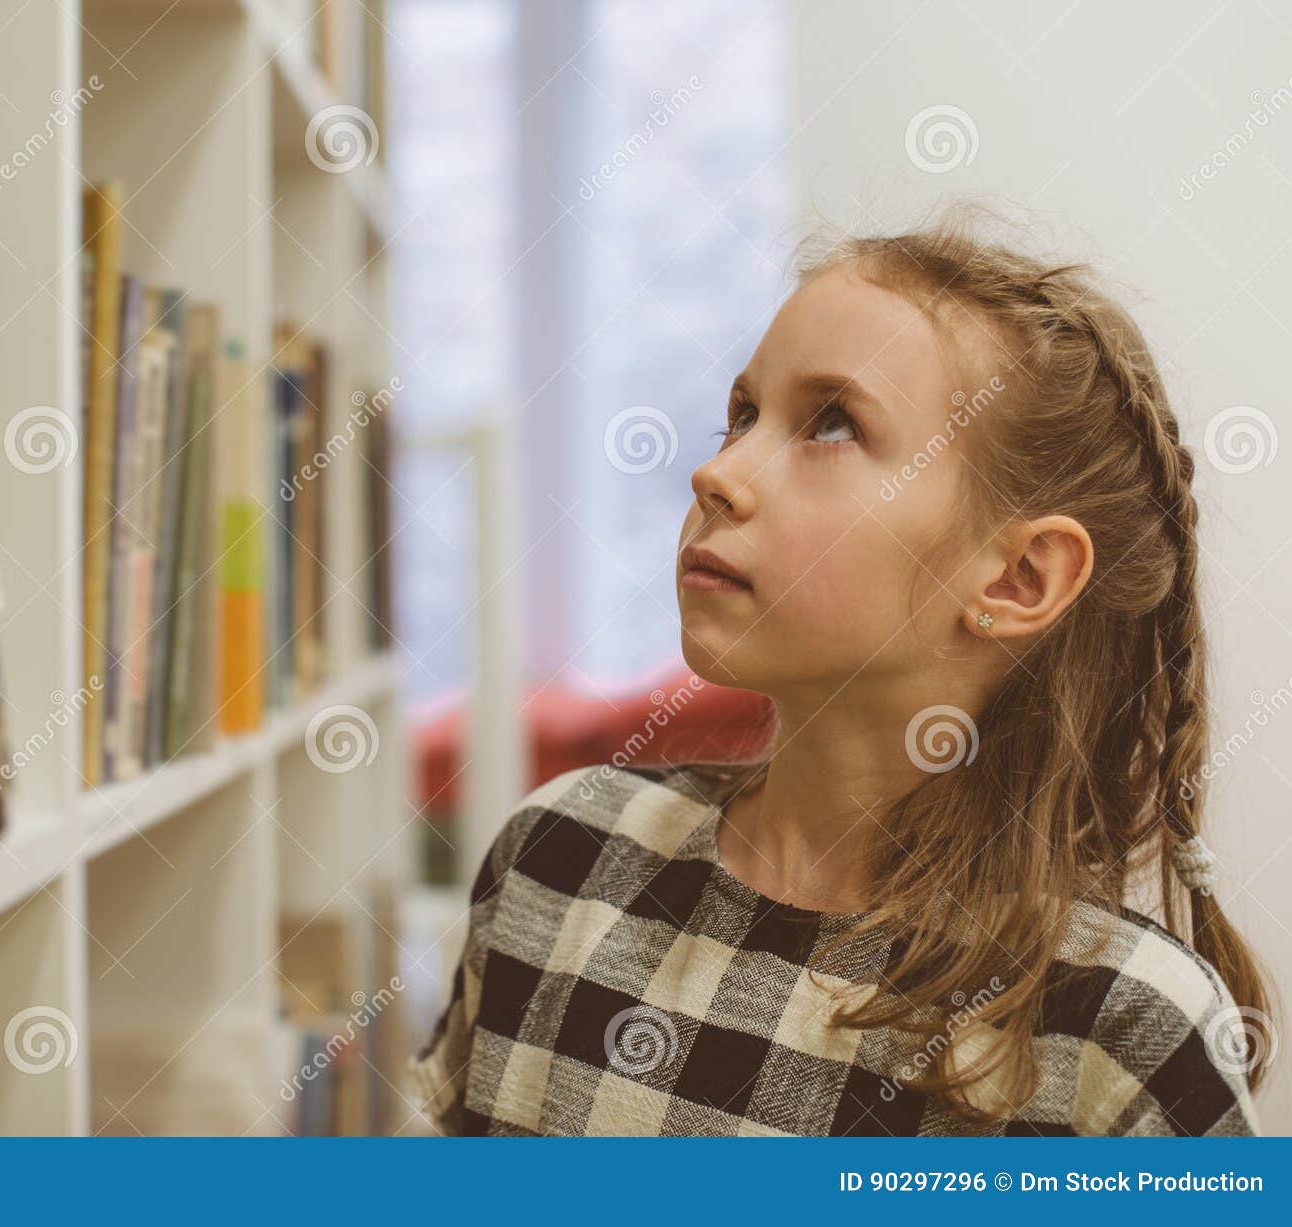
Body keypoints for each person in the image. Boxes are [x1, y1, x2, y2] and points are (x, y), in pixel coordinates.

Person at [410, 206, 1269, 1136]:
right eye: (740, 415)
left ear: (1019, 578)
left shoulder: (1121, 1029)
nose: (720, 472)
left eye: (831, 424)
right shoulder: (556, 856)